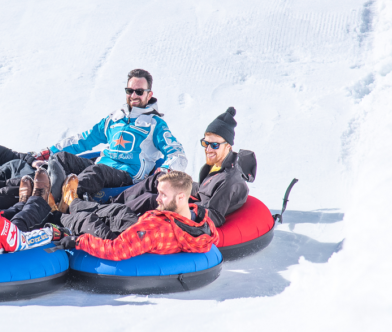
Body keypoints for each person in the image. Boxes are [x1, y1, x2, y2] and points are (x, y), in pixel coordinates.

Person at [33, 69, 187, 212]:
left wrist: (166, 169)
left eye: (139, 92)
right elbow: (85, 139)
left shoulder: (154, 124)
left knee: (96, 171)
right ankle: (42, 196)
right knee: (61, 158)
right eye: (130, 91)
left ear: (149, 94)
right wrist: (51, 151)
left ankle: (64, 205)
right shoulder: (114, 118)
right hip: (101, 166)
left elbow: (177, 153)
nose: (133, 96)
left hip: (127, 175)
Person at [113, 107, 251, 227]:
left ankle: (115, 219)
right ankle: (111, 205)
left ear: (228, 147)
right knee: (160, 178)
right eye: (205, 143)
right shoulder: (218, 164)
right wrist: (181, 181)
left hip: (195, 210)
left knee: (151, 199)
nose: (208, 149)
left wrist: (185, 209)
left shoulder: (229, 180)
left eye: (214, 145)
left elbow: (214, 216)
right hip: (196, 200)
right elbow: (205, 190)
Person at [58, 171, 218, 261]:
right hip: (142, 232)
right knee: (118, 211)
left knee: (89, 221)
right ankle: (74, 204)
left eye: (163, 195)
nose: (158, 198)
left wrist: (78, 241)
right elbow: (214, 238)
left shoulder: (155, 229)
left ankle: (56, 214)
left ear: (181, 197)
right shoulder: (201, 218)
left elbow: (115, 251)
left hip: (126, 242)